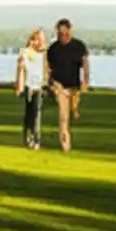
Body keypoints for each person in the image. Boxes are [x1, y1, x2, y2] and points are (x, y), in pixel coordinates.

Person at [46, 18, 89, 153]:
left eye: (65, 33)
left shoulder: (79, 46)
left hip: (74, 86)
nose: (63, 36)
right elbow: (47, 69)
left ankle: (75, 110)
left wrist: (85, 82)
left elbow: (85, 65)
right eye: (60, 33)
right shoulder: (53, 49)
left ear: (70, 31)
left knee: (73, 112)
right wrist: (52, 84)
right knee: (63, 116)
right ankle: (65, 143)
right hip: (60, 87)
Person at [14, 28, 47, 150]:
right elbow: (20, 70)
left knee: (36, 113)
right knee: (28, 115)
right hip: (29, 86)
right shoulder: (26, 53)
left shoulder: (44, 54)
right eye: (35, 39)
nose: (38, 42)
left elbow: (47, 70)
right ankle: (27, 137)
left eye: (40, 39)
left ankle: (36, 139)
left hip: (39, 87)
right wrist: (19, 86)